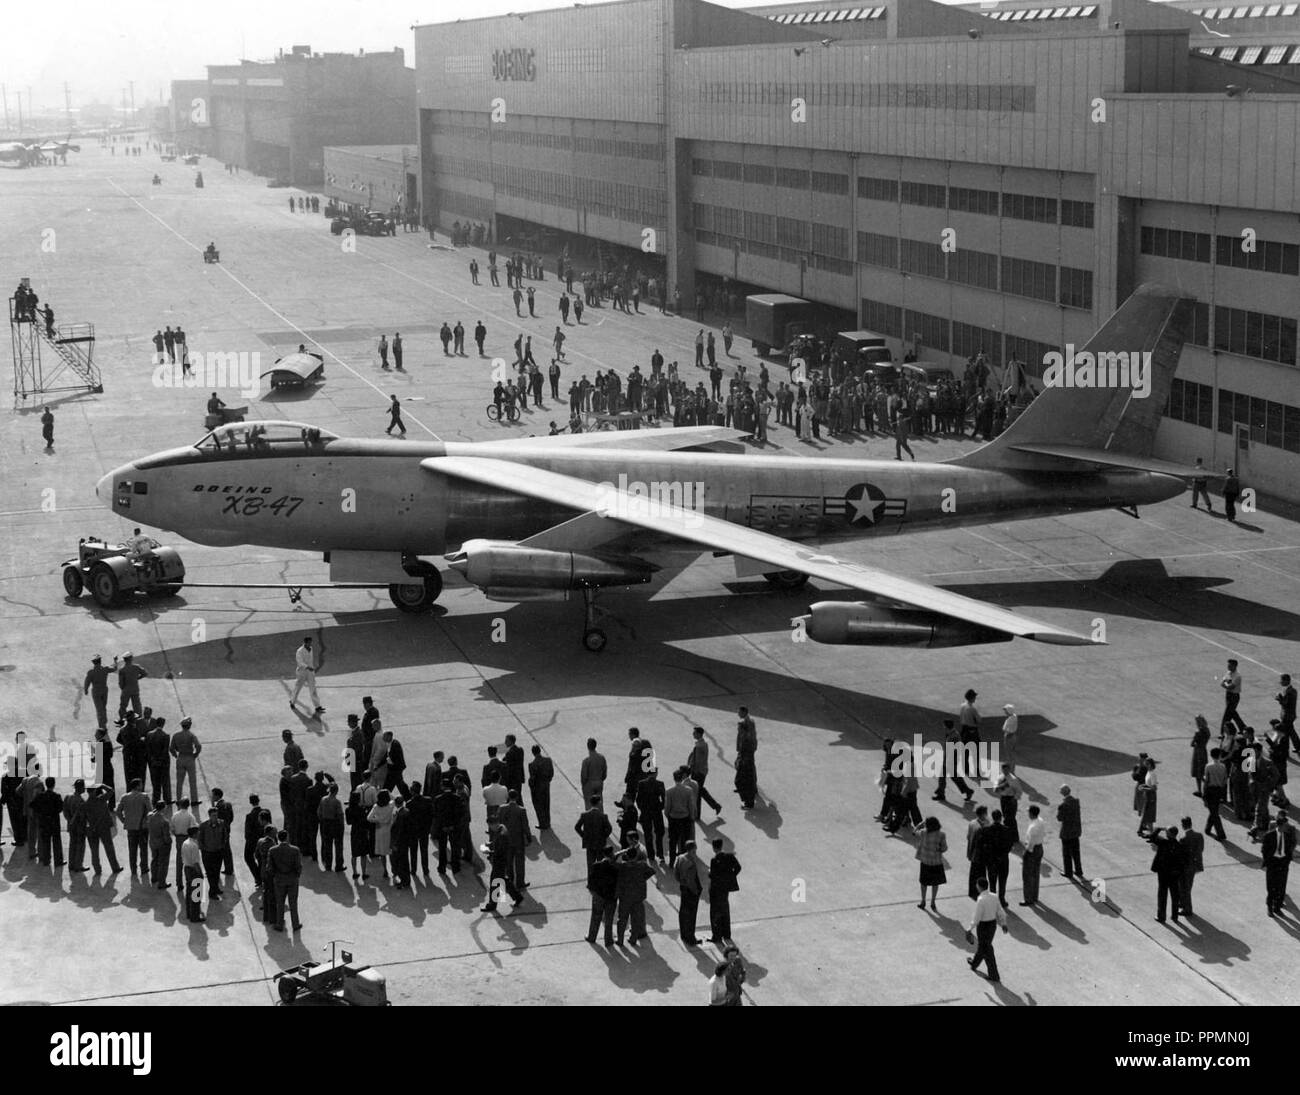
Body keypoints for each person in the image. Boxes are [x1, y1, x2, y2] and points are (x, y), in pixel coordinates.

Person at [966, 876, 1008, 982]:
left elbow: (977, 917)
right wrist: (1003, 923)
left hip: (983, 926)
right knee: (983, 946)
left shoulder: (981, 899)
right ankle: (974, 964)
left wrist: (970, 928)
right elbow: (1000, 910)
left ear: (979, 887)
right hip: (992, 925)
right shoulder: (994, 896)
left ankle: (994, 975)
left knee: (987, 949)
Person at [613, 836, 653, 945]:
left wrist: (620, 852)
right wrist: (641, 880)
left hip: (625, 896)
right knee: (635, 920)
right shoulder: (642, 865)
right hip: (638, 896)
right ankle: (633, 939)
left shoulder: (622, 867)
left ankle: (620, 940)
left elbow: (612, 860)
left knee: (622, 919)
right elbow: (651, 871)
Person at [268, 830, 304, 931]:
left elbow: (269, 867)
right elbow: (298, 866)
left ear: (278, 838)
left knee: (280, 903)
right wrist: (296, 875)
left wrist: (275, 875)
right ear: (287, 837)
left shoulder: (272, 850)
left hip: (279, 880)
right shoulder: (295, 850)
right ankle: (295, 924)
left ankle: (279, 924)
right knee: (293, 903)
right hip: (292, 879)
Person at [707, 837, 741, 943]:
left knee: (715, 912)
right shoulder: (730, 856)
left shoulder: (714, 860)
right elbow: (738, 868)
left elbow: (712, 875)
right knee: (725, 910)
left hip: (716, 889)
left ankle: (716, 935)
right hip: (725, 888)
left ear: (713, 847)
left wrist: (709, 873)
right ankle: (726, 934)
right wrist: (730, 877)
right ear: (721, 846)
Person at [1262, 810, 1296, 915]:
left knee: (1281, 887)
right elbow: (1264, 850)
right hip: (1273, 863)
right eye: (1285, 825)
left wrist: (1287, 860)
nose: (1287, 827)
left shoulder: (1287, 835)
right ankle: (1270, 907)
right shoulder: (1269, 836)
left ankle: (1277, 908)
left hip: (1283, 863)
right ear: (1280, 826)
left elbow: (1290, 848)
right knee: (1271, 886)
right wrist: (1267, 862)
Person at [1150, 825, 1186, 923]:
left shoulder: (1163, 843)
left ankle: (1161, 916)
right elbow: (1182, 862)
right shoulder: (1179, 846)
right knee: (1175, 895)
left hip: (1163, 873)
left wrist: (1159, 829)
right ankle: (1175, 916)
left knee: (1162, 894)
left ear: (1169, 834)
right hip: (1174, 874)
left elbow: (1152, 837)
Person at [116, 778, 151, 876]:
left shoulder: (124, 797)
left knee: (132, 850)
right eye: (140, 784)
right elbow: (150, 811)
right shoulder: (144, 796)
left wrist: (124, 821)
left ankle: (133, 870)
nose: (142, 786)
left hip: (130, 828)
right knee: (143, 849)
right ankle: (144, 868)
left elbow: (118, 812)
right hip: (142, 827)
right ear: (137, 786)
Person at [673, 839, 705, 944]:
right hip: (690, 891)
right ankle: (690, 938)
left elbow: (675, 873)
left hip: (683, 888)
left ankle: (684, 934)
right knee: (691, 915)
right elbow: (691, 881)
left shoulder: (680, 858)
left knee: (683, 913)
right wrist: (695, 891)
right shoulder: (690, 863)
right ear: (693, 849)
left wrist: (681, 882)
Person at [585, 847, 618, 945]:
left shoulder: (595, 866)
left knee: (595, 917)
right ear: (612, 854)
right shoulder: (615, 868)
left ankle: (592, 937)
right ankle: (608, 940)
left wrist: (595, 893)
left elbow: (590, 883)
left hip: (598, 896)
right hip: (611, 897)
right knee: (609, 919)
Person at [913, 815, 947, 911]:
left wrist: (920, 824)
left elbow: (914, 832)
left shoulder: (923, 833)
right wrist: (939, 849)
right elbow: (944, 848)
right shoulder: (941, 835)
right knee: (935, 883)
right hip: (936, 862)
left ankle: (923, 901)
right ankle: (933, 902)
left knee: (923, 883)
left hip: (925, 862)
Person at [687, 725, 722, 816]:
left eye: (694, 733)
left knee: (697, 792)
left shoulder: (700, 745)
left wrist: (691, 769)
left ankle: (697, 814)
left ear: (699, 734)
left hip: (698, 772)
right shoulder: (701, 743)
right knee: (700, 790)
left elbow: (697, 761)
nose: (693, 734)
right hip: (701, 771)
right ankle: (715, 806)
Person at [169, 717, 201, 806]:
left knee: (179, 781)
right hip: (189, 757)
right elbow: (198, 746)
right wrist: (196, 754)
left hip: (180, 757)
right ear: (189, 725)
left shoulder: (176, 735)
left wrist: (175, 755)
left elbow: (171, 748)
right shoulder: (191, 735)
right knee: (192, 781)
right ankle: (194, 800)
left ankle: (178, 800)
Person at [83, 654, 118, 730]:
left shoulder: (91, 672)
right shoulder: (105, 669)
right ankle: (104, 722)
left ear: (93, 662)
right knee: (103, 707)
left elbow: (87, 682)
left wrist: (86, 690)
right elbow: (115, 668)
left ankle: (102, 726)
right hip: (104, 690)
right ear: (100, 661)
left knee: (99, 709)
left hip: (96, 692)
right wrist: (115, 660)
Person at [1179, 815, 1204, 917]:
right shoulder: (1199, 836)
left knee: (1184, 887)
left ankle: (1187, 908)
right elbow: (1201, 849)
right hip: (1195, 864)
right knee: (1188, 885)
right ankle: (1183, 903)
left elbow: (1181, 854)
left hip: (1185, 866)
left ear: (1183, 826)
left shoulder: (1183, 839)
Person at [1020, 804, 1045, 906]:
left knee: (1027, 875)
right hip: (1039, 848)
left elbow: (1031, 842)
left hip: (1032, 850)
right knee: (1035, 873)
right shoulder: (1040, 821)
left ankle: (1028, 899)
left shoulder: (1033, 827)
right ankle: (1034, 896)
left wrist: (1026, 852)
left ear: (1031, 813)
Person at [367, 789, 395, 881]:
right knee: (390, 852)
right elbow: (393, 798)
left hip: (380, 830)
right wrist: (388, 792)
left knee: (382, 853)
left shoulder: (376, 806)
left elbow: (369, 818)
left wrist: (377, 820)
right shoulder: (390, 806)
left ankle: (385, 870)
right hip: (389, 830)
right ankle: (393, 869)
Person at [1057, 785, 1083, 882]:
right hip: (1075, 831)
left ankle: (1068, 872)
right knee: (1076, 852)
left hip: (1067, 832)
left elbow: (1059, 818)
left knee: (1067, 853)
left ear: (1062, 793)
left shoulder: (1063, 805)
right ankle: (1079, 870)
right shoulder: (1076, 802)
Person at [734, 707, 758, 809]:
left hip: (745, 753)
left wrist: (740, 751)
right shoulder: (749, 722)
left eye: (739, 712)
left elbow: (743, 738)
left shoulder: (744, 724)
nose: (738, 713)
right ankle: (753, 790)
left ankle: (748, 800)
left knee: (742, 779)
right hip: (748, 751)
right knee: (750, 772)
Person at [1203, 747, 1228, 840]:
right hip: (1219, 790)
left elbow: (1206, 781)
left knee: (1214, 813)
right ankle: (1207, 828)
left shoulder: (1208, 766)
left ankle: (1220, 833)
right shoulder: (1223, 766)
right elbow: (1225, 780)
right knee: (1214, 810)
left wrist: (1204, 793)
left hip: (1210, 789)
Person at [147, 799, 173, 889]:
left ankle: (154, 877)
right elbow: (166, 836)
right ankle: (162, 883)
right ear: (164, 808)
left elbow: (151, 813)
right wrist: (169, 842)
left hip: (153, 842)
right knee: (163, 864)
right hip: (162, 844)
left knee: (154, 860)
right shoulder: (164, 821)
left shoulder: (150, 817)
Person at [346, 788, 371, 880]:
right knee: (363, 854)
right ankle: (364, 873)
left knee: (354, 853)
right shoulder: (361, 809)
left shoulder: (348, 809)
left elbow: (348, 822)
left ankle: (355, 872)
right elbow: (366, 821)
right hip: (362, 831)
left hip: (354, 831)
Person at [181, 828, 205, 922]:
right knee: (196, 895)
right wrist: (200, 874)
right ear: (195, 834)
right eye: (198, 832)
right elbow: (195, 862)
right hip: (194, 870)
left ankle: (189, 913)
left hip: (187, 868)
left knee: (189, 892)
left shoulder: (185, 843)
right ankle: (195, 916)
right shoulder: (194, 846)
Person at [527, 745, 553, 829]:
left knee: (538, 806)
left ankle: (542, 823)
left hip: (537, 788)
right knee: (546, 804)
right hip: (546, 785)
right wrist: (547, 781)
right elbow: (551, 773)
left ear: (533, 753)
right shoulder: (548, 760)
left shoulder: (532, 765)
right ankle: (547, 822)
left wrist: (531, 785)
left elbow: (532, 779)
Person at [116, 652, 147, 720]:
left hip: (126, 690)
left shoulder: (122, 670)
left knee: (123, 706)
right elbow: (145, 674)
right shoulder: (136, 667)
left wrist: (123, 688)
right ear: (131, 659)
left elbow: (121, 683)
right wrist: (137, 678)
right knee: (137, 706)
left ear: (124, 660)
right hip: (135, 689)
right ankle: (139, 720)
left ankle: (122, 719)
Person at [1220, 658, 1246, 735]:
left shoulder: (1237, 676)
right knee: (1233, 714)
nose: (1228, 667)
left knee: (1227, 715)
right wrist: (1226, 684)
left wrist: (1225, 684)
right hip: (1228, 695)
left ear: (1235, 666)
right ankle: (1243, 727)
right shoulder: (1228, 673)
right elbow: (1222, 682)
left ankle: (1222, 732)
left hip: (1234, 696)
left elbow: (1231, 687)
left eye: (1230, 665)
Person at [579, 738, 606, 807]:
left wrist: (584, 786)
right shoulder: (602, 757)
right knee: (599, 803)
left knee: (589, 804)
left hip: (589, 784)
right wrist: (600, 779)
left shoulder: (586, 760)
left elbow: (584, 776)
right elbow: (604, 772)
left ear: (588, 746)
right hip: (599, 782)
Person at [1137, 756, 1159, 837]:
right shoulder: (1149, 772)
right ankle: (1151, 833)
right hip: (1147, 795)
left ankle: (1142, 830)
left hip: (1151, 796)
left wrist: (1144, 788)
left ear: (1150, 765)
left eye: (1146, 764)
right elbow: (1148, 784)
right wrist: (1143, 786)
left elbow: (1154, 788)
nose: (1145, 765)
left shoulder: (1152, 774)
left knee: (1148, 815)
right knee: (1148, 816)